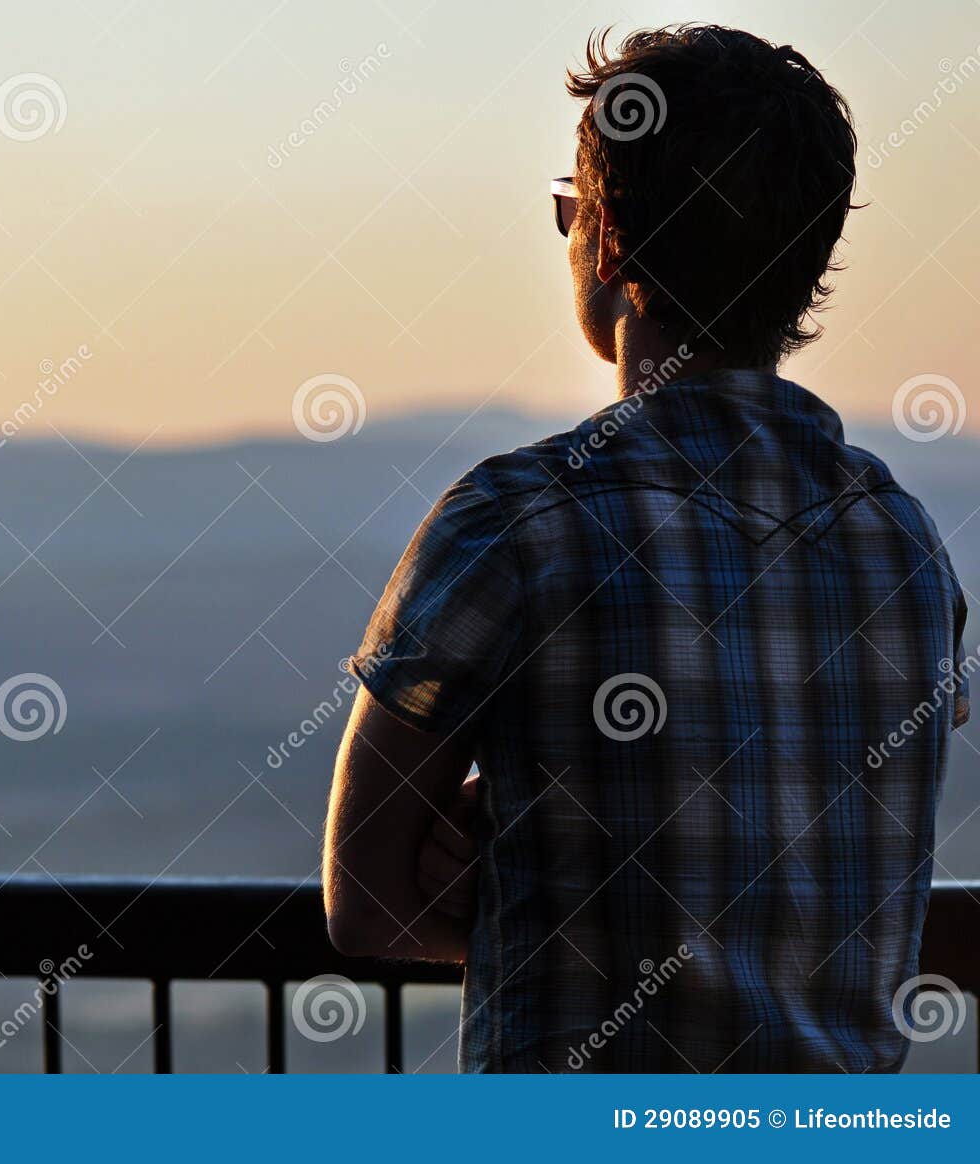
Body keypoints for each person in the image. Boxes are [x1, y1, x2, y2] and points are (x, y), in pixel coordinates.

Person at [321, 24, 969, 1072]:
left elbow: (369, 903)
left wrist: (532, 849)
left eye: (567, 209)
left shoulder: (518, 521)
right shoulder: (901, 543)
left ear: (607, 239)